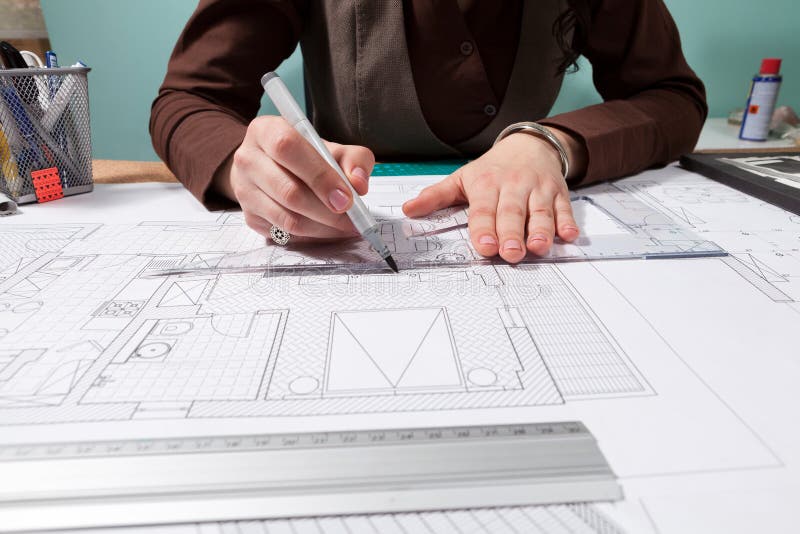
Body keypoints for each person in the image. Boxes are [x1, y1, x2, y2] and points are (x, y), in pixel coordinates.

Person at [150, 0, 707, 263]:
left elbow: (672, 96)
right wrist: (245, 171)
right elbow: (192, 99)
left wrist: (549, 144)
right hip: (345, 201)